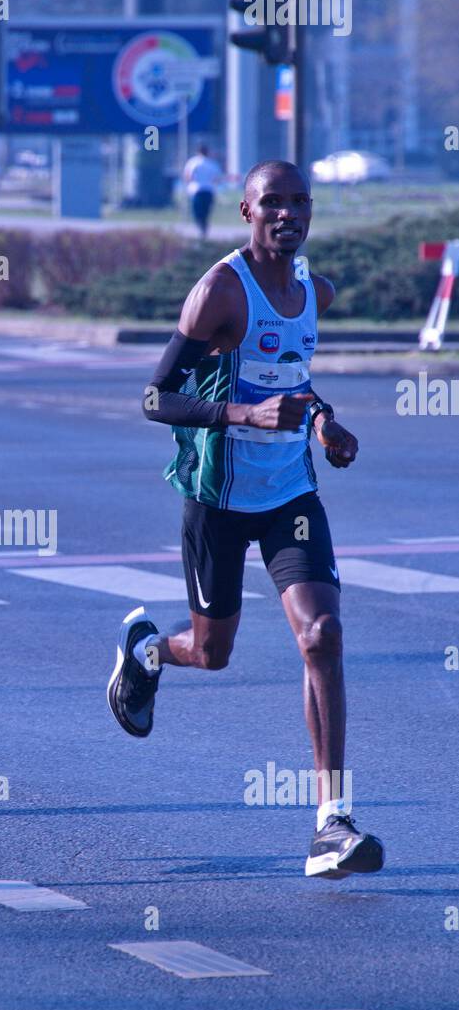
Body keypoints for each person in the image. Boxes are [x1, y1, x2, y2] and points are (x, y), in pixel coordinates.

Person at [107, 159, 384, 882]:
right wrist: (243, 413)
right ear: (244, 211)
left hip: (289, 494)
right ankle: (146, 654)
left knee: (321, 635)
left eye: (299, 202)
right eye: (272, 203)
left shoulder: (310, 290)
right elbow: (153, 398)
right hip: (217, 499)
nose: (286, 214)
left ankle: (331, 822)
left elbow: (294, 376)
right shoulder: (219, 292)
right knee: (212, 650)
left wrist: (323, 421)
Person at [182, 143, 223, 238]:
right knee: (206, 212)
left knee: (197, 212)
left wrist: (189, 185)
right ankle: (204, 229)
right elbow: (217, 178)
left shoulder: (193, 162)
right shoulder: (212, 163)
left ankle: (201, 228)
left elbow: (187, 176)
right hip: (209, 190)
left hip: (196, 190)